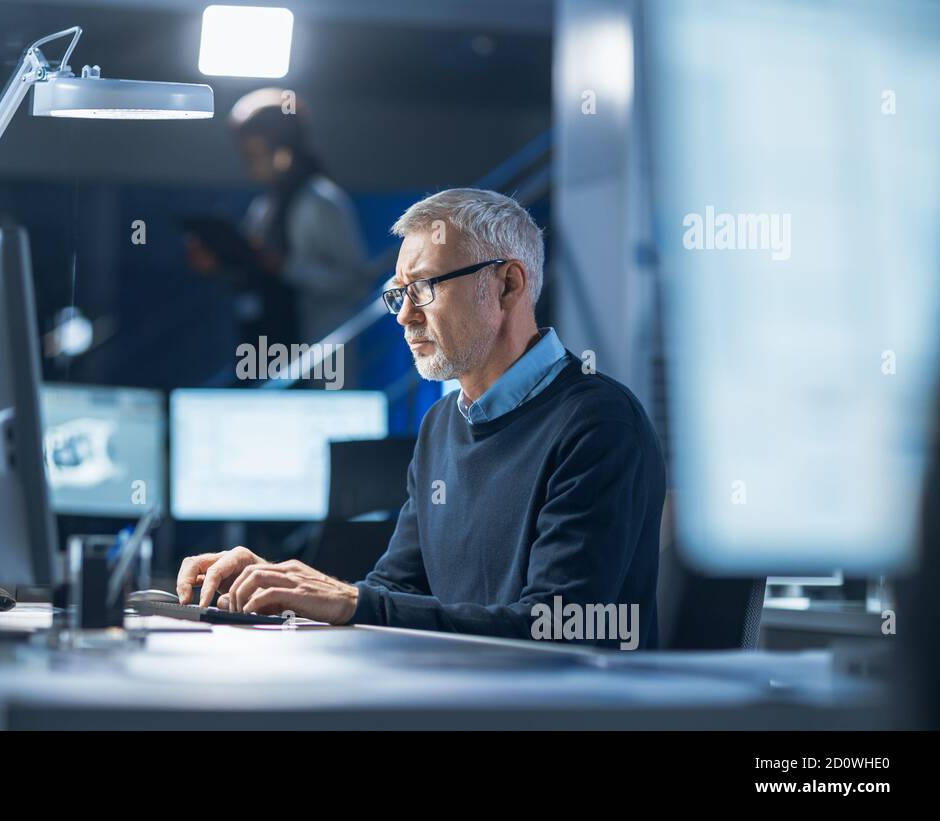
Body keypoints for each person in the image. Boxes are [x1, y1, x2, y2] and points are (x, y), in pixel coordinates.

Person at [175, 188, 666, 648]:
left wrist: (352, 603)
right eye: (398, 292)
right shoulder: (441, 425)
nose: (404, 315)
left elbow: (557, 630)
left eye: (425, 286)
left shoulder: (598, 425)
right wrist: (284, 588)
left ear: (507, 286)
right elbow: (395, 588)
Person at [186, 88, 370, 347]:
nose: (247, 166)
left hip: (314, 360)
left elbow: (355, 284)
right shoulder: (264, 208)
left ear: (283, 153)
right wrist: (219, 263)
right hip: (265, 349)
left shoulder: (323, 203)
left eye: (253, 156)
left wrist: (285, 266)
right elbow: (255, 272)